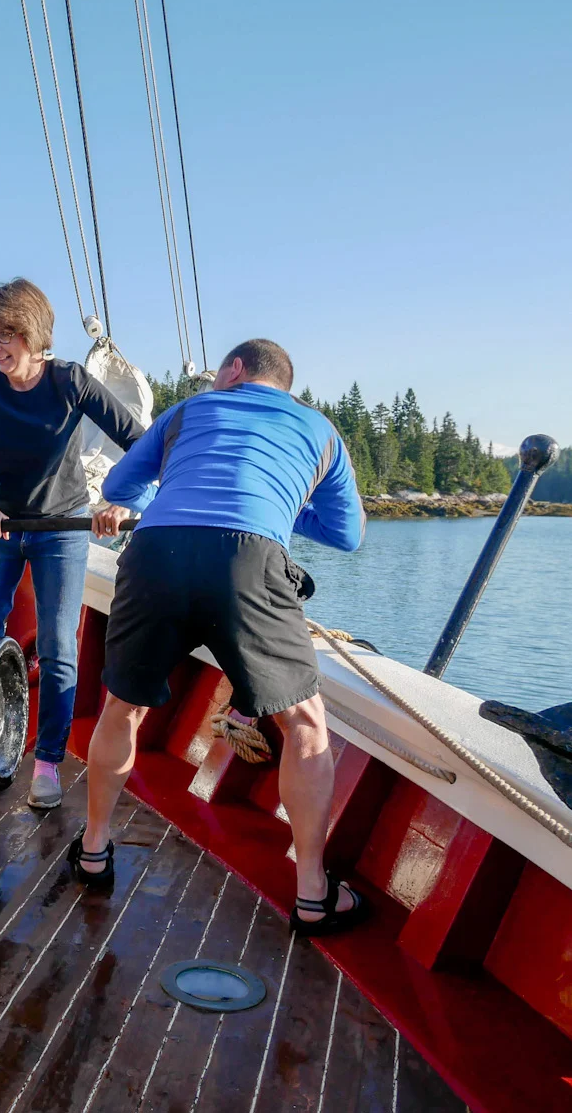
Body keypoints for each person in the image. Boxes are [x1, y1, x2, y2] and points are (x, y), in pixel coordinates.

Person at [81, 338, 367, 936]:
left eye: (217, 374)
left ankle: (94, 848)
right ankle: (313, 892)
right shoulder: (321, 433)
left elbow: (121, 489)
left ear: (235, 370)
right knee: (305, 725)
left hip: (157, 551)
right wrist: (284, 505)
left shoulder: (187, 413)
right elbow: (346, 535)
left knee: (122, 707)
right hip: (251, 562)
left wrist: (167, 496)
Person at [0, 279, 147, 810]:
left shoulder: (71, 381)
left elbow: (141, 443)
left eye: (5, 335)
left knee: (58, 647)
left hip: (62, 529)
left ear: (32, 333)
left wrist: (118, 502)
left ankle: (48, 759)